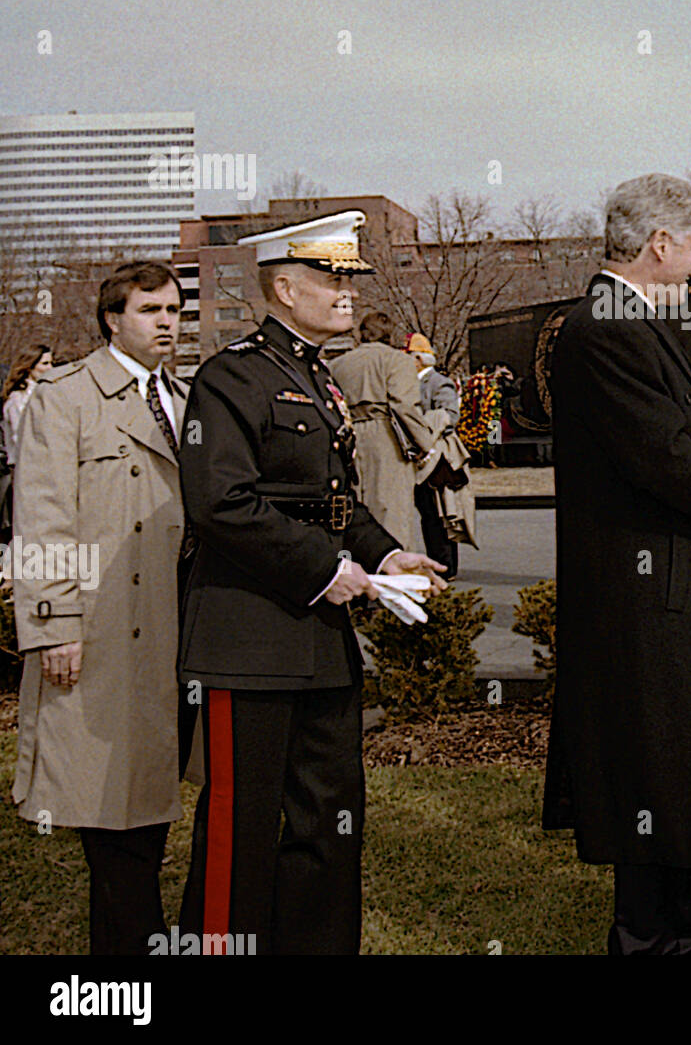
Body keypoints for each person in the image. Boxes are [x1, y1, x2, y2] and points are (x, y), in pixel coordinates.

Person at [176, 210, 446, 954]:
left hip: (319, 638)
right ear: (284, 287)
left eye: (351, 279)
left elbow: (335, 503)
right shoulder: (232, 375)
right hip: (249, 635)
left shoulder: (315, 377)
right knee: (241, 820)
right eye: (332, 278)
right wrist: (324, 568)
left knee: (329, 814)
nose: (347, 292)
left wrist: (388, 557)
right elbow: (221, 502)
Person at [541, 174, 691, 955]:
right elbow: (666, 458)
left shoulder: (629, 322)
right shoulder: (607, 328)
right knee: (654, 764)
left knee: (673, 768)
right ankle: (647, 942)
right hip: (645, 596)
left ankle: (675, 937)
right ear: (660, 244)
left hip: (664, 586)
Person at [11, 265, 189, 953]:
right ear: (112, 318)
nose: (167, 322)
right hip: (100, 632)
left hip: (171, 629)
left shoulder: (182, 396)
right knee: (108, 806)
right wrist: (54, 625)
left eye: (174, 309)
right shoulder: (66, 396)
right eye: (150, 309)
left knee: (145, 805)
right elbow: (43, 520)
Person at [330, 311, 436, 552]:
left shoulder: (338, 364)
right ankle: (392, 573)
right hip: (385, 435)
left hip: (350, 436)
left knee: (357, 508)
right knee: (391, 510)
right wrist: (425, 444)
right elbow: (405, 406)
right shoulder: (398, 361)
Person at [407, 334, 471, 579]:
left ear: (420, 359)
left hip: (437, 457)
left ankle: (445, 565)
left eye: (410, 356)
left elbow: (449, 416)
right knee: (427, 513)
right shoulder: (409, 382)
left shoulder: (439, 382)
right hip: (419, 456)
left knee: (439, 513)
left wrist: (421, 429)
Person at [2, 343, 53, 470]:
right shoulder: (18, 398)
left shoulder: (46, 393)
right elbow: (19, 435)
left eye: (51, 363)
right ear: (30, 367)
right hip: (25, 466)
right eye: (45, 364)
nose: (50, 368)